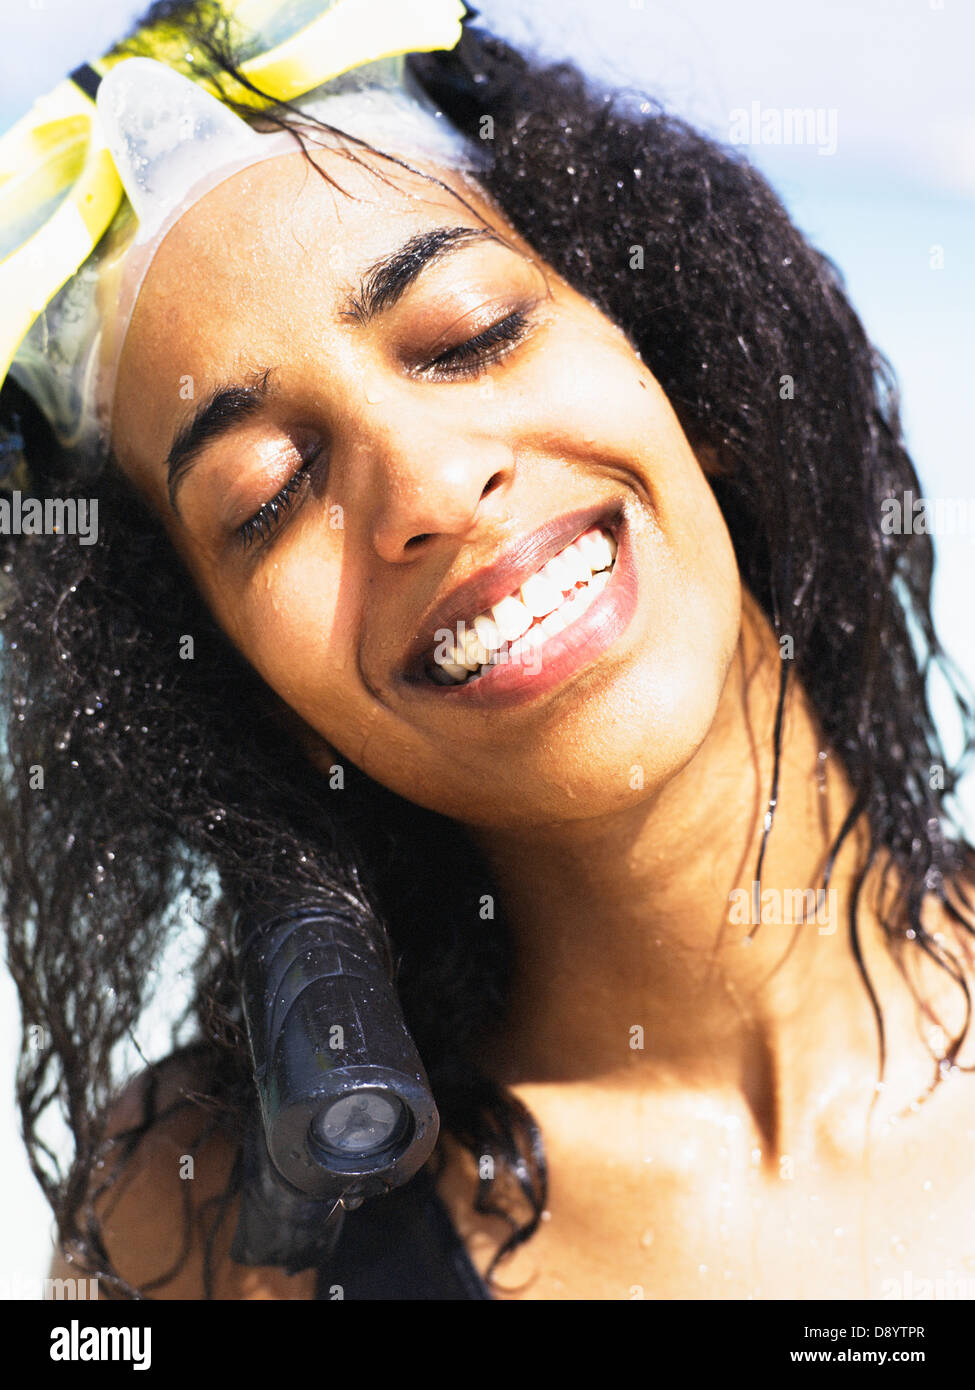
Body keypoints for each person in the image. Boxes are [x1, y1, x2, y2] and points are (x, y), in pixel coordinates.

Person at [2, 0, 974, 1302]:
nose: (430, 492)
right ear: (244, 695)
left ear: (693, 371)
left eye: (472, 334)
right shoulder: (206, 1233)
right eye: (270, 494)